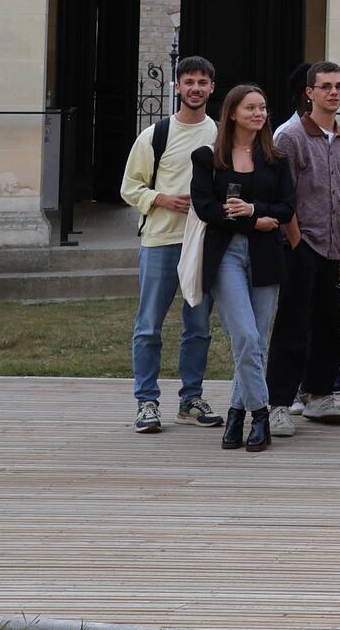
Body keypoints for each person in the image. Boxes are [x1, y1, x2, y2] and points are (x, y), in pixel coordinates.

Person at [265, 62, 340, 436]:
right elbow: (283, 196)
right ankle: (278, 402)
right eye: (325, 86)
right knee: (293, 326)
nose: (333, 92)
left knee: (329, 326)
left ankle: (319, 393)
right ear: (309, 92)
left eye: (339, 86)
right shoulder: (290, 138)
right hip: (301, 246)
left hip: (337, 249)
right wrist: (297, 245)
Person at [121, 54, 221, 434]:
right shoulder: (154, 135)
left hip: (202, 243)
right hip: (160, 240)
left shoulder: (220, 133)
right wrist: (162, 199)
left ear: (212, 87)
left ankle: (191, 399)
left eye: (202, 82)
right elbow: (130, 187)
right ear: (177, 87)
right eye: (189, 82)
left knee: (198, 326)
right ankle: (146, 401)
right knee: (149, 325)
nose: (195, 88)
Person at [191, 83, 293, 453]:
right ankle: (261, 415)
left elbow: (286, 208)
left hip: (266, 256)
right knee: (247, 337)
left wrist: (255, 211)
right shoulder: (207, 158)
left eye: (263, 108)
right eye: (251, 107)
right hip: (227, 256)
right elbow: (205, 207)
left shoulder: (276, 158)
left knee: (255, 342)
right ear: (232, 112)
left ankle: (236, 413)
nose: (259, 113)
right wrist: (253, 221)